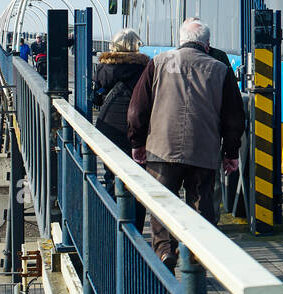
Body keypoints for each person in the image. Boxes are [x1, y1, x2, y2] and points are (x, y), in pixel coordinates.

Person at [126, 18, 244, 270]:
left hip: (161, 149)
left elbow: (137, 109)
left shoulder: (157, 63)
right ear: (207, 44)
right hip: (204, 150)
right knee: (201, 207)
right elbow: (234, 116)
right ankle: (196, 256)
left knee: (162, 203)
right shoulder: (220, 70)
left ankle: (165, 251)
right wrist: (231, 152)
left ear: (180, 40)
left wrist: (137, 143)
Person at [93, 28, 151, 229]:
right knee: (139, 178)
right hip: (140, 128)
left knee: (112, 175)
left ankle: (114, 224)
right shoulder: (146, 69)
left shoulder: (104, 69)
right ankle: (135, 227)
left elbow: (96, 95)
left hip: (109, 128)